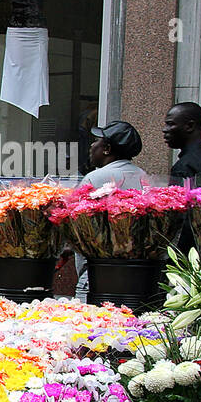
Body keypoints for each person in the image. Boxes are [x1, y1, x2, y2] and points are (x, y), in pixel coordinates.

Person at [72, 121, 149, 298]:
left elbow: (74, 220)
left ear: (106, 149)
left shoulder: (95, 178)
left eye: (96, 141)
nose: (92, 145)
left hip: (95, 275)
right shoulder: (143, 176)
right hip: (133, 277)